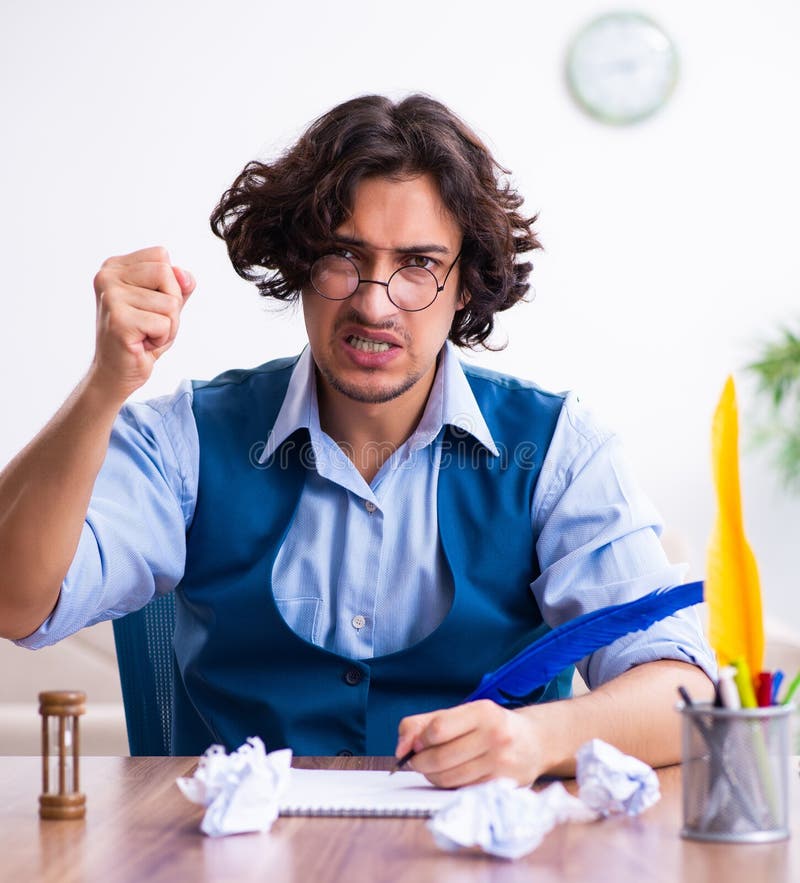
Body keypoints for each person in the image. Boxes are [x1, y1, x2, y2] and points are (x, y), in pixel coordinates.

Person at [0, 94, 714, 787]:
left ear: (465, 284)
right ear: (298, 265)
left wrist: (537, 739)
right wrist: (104, 383)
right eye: (343, 257)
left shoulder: (558, 451)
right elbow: (15, 602)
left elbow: (685, 691)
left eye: (419, 266)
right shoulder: (184, 439)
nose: (374, 302)